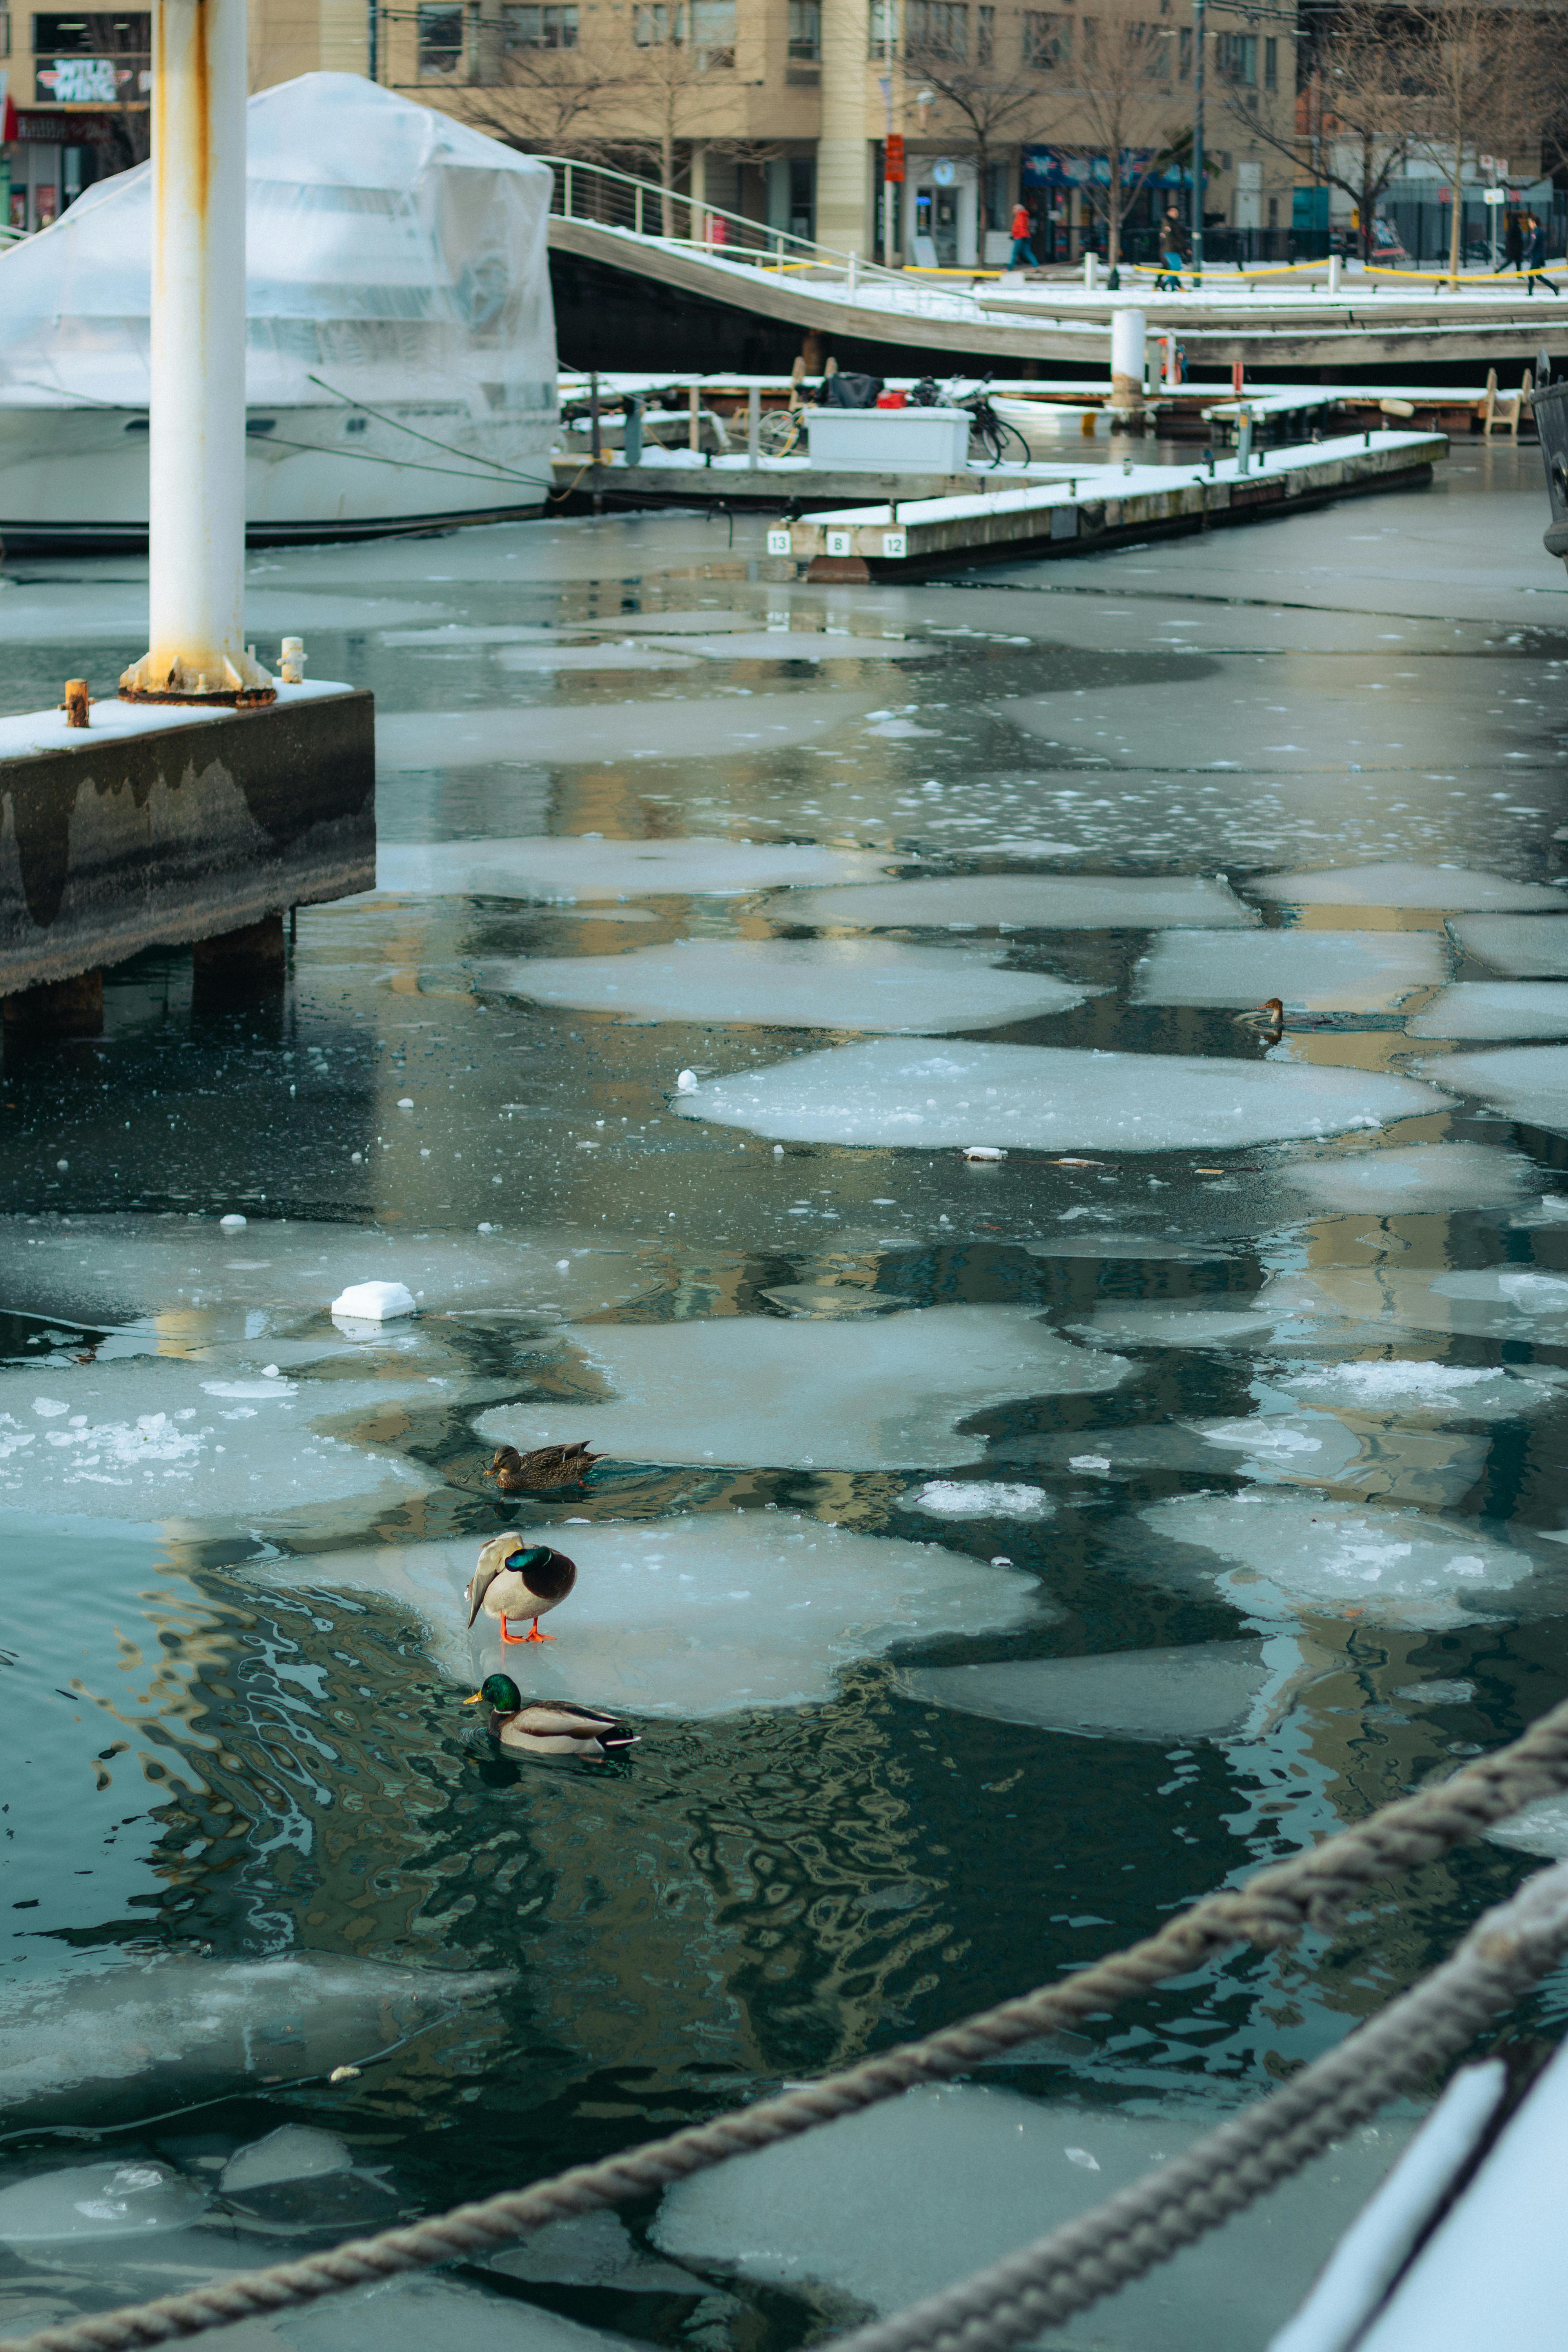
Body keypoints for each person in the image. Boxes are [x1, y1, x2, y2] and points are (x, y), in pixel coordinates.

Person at [1152, 202, 1187, 291]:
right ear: (1168, 212)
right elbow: (1167, 237)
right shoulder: (1167, 222)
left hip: (1175, 250)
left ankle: (1174, 286)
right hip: (1170, 250)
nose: (1175, 213)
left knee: (1170, 268)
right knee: (1176, 268)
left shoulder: (1175, 223)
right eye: (1173, 211)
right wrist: (1178, 245)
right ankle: (1162, 284)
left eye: (1176, 211)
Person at [1525, 212, 1559, 296]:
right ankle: (1554, 288)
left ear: (1534, 222)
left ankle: (1554, 288)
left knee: (1533, 275)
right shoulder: (1539, 231)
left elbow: (1533, 245)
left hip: (1537, 257)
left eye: (1530, 222)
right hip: (1538, 257)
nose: (1529, 224)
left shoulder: (1537, 232)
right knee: (1537, 276)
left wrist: (1527, 253)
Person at [1009, 199, 1037, 268]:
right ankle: (1036, 266)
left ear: (1018, 210)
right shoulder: (1025, 216)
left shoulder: (1020, 216)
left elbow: (1020, 227)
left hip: (1020, 237)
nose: (1013, 211)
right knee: (1028, 253)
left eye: (1014, 209)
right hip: (1026, 236)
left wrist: (1014, 235)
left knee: (1014, 253)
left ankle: (1009, 268)